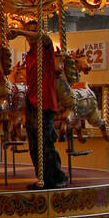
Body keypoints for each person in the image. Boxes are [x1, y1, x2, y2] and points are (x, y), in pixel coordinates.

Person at [22, 32, 67, 189]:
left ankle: (56, 176)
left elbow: (45, 39)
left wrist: (21, 32)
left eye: (34, 32)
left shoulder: (46, 50)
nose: (31, 36)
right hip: (32, 101)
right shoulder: (30, 54)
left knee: (46, 143)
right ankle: (42, 176)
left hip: (45, 101)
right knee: (34, 145)